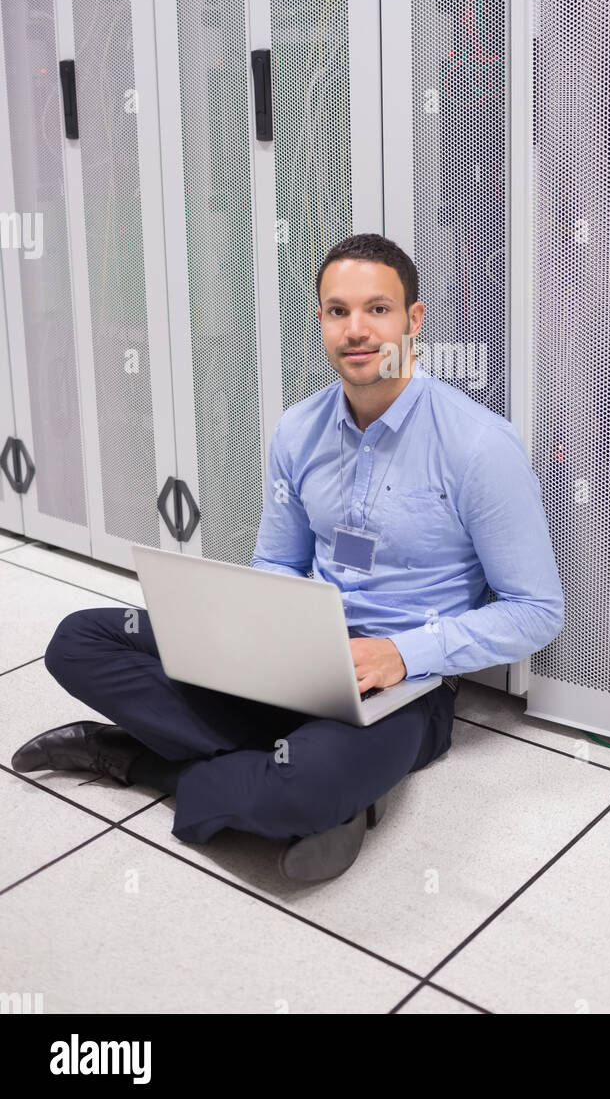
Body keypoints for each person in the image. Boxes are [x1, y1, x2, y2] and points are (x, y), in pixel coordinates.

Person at [12, 234, 564, 881]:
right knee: (79, 641)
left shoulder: (478, 447)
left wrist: (402, 654)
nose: (356, 329)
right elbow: (277, 561)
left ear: (413, 321)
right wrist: (249, 638)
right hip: (297, 658)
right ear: (323, 322)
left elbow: (537, 611)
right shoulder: (298, 430)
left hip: (406, 685)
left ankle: (140, 760)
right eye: (337, 311)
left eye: (377, 309)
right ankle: (301, 770)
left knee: (307, 785)